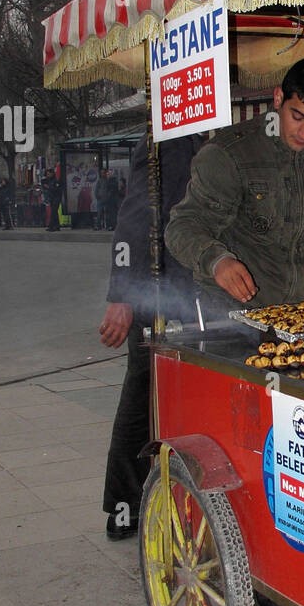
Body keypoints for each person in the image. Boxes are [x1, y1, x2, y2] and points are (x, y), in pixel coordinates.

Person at [165, 58, 304, 313]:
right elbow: (181, 227)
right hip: (233, 313)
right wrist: (217, 260)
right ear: (278, 98)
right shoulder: (230, 154)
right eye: (297, 117)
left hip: (302, 312)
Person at [100, 133, 204, 540]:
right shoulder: (168, 141)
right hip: (157, 293)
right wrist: (122, 296)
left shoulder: (201, 139)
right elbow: (135, 218)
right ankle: (123, 505)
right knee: (142, 393)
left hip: (191, 290)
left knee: (169, 395)